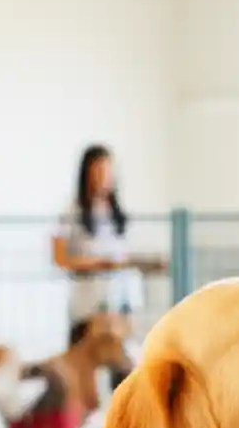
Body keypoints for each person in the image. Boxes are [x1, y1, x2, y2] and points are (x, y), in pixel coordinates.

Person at [52, 144, 165, 390]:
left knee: (126, 374)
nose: (104, 177)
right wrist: (99, 264)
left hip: (119, 307)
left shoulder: (118, 216)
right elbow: (60, 258)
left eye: (108, 170)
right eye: (98, 170)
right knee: (84, 379)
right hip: (88, 309)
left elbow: (126, 258)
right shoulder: (72, 211)